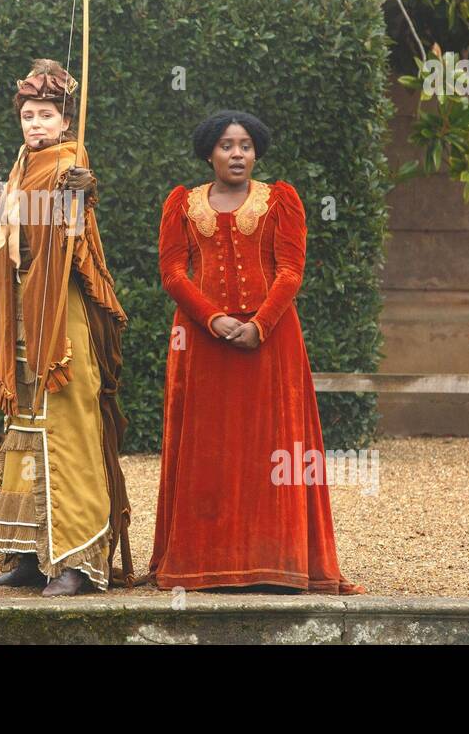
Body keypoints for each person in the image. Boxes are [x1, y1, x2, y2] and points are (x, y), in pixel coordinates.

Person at [147, 109, 366, 594]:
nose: (237, 154)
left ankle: (276, 563)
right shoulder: (181, 204)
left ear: (256, 152)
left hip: (271, 346)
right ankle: (203, 565)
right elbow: (172, 273)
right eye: (226, 145)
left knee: (274, 450)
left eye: (245, 145)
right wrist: (214, 319)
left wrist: (259, 325)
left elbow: (290, 270)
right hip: (201, 346)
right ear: (210, 153)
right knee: (208, 449)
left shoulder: (281, 200)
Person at [0, 58, 134, 596]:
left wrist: (81, 195)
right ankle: (31, 555)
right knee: (25, 427)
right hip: (20, 310)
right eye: (28, 115)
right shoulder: (16, 168)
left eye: (46, 115)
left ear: (64, 121)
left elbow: (73, 238)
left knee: (67, 425)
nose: (35, 124)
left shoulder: (71, 165)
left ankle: (78, 563)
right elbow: (0, 238)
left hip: (60, 313)